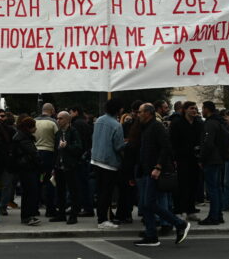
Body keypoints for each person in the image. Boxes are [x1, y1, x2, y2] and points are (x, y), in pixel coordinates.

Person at [134, 104, 190, 247]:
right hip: (147, 170)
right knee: (147, 205)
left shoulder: (156, 127)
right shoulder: (146, 127)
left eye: (140, 112)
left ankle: (179, 224)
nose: (137, 114)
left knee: (149, 203)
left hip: (154, 171)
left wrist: (158, 167)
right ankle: (151, 235)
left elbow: (166, 147)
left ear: (148, 113)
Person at [92, 98, 126, 229]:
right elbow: (118, 146)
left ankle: (103, 217)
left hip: (96, 159)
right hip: (109, 163)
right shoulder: (116, 125)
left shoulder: (99, 120)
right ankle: (103, 220)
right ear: (118, 109)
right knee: (107, 193)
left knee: (100, 191)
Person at [169, 101, 203, 221]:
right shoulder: (177, 123)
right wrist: (173, 158)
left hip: (194, 159)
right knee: (181, 185)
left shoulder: (198, 124)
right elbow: (172, 142)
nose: (194, 111)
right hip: (181, 158)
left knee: (193, 184)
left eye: (195, 108)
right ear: (185, 110)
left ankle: (190, 210)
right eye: (191, 108)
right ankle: (179, 210)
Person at [198, 101, 229, 226]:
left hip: (211, 160)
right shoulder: (219, 122)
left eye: (203, 109)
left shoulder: (210, 123)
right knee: (217, 188)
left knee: (212, 190)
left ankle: (213, 216)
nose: (201, 112)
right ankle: (218, 215)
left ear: (207, 109)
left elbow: (208, 143)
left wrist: (201, 159)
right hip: (219, 159)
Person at [51, 111, 84, 224]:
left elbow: (79, 148)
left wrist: (67, 147)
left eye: (60, 118)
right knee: (60, 191)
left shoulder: (73, 132)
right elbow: (56, 150)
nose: (58, 120)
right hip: (59, 166)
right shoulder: (58, 133)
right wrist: (54, 167)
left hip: (70, 166)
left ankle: (73, 215)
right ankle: (61, 214)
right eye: (57, 118)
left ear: (67, 120)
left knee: (73, 191)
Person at [10, 116, 42, 226]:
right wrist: (39, 163)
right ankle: (28, 216)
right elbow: (33, 153)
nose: (36, 129)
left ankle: (27, 215)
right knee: (30, 192)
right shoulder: (24, 138)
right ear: (29, 128)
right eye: (34, 127)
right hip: (28, 168)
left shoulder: (20, 136)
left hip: (24, 168)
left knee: (28, 192)